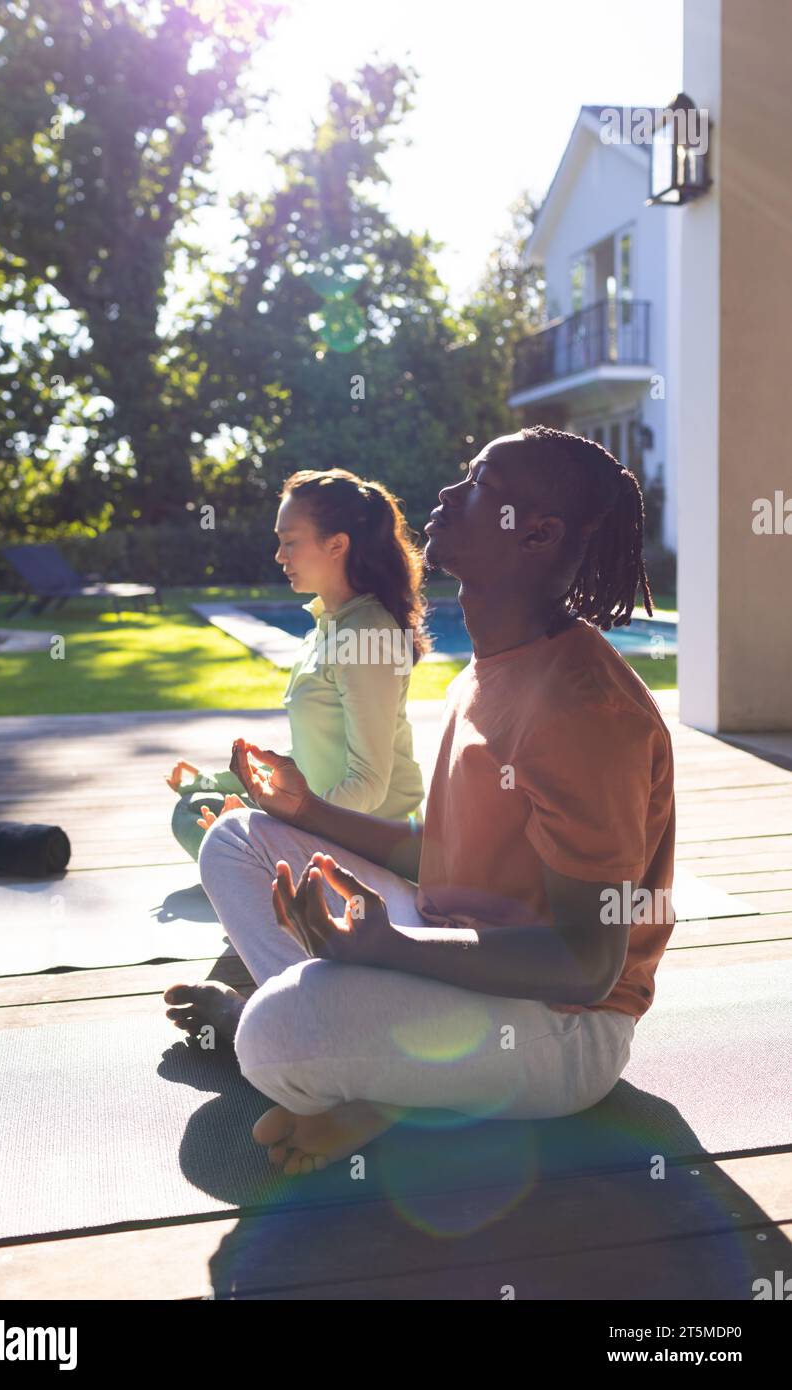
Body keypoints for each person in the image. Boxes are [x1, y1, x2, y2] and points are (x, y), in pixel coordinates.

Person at [164, 427, 676, 1177]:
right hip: (456, 939)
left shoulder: (585, 709)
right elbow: (440, 851)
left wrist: (390, 950)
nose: (444, 493)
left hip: (562, 1031)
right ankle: (377, 1073)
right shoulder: (489, 671)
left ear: (536, 532)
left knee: (274, 1033)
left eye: (478, 484)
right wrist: (305, 811)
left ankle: (339, 1061)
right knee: (238, 838)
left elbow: (584, 965)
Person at [166, 469, 427, 859]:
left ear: (337, 544)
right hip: (318, 815)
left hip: (371, 839)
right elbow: (313, 752)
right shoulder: (326, 626)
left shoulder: (366, 636)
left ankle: (259, 862)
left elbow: (369, 785)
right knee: (197, 802)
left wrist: (278, 825)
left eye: (289, 542)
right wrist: (221, 780)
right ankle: (251, 858)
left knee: (197, 818)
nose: (279, 556)